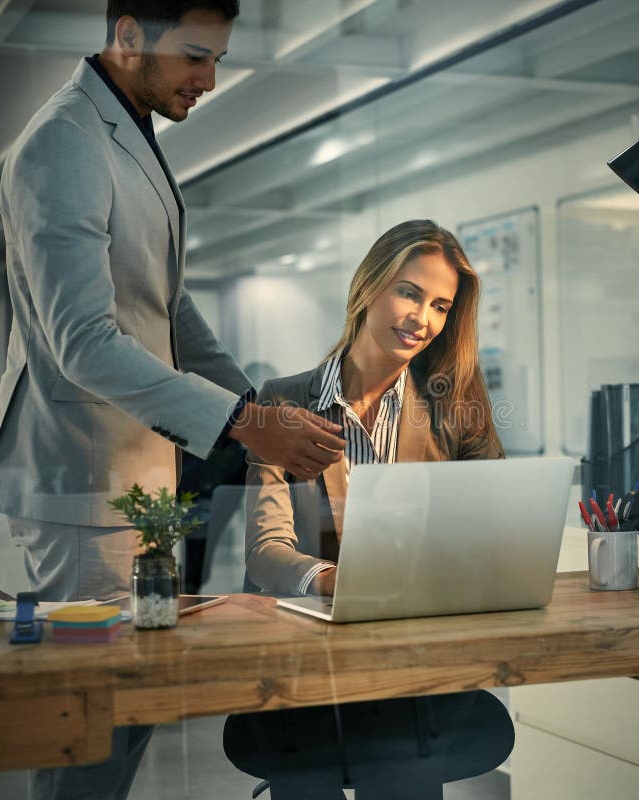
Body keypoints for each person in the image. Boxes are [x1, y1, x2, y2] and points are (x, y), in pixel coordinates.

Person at [0, 2, 343, 798]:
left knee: (124, 723)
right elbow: (83, 342)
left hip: (130, 490)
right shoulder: (63, 143)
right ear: (130, 34)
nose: (208, 81)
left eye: (217, 60)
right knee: (94, 732)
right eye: (194, 57)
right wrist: (248, 423)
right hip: (79, 487)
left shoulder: (122, 129)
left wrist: (257, 416)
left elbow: (166, 310)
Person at [224, 220, 513, 799]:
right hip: (306, 673)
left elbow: (494, 530)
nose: (422, 319)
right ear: (367, 289)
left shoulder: (452, 409)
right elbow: (265, 552)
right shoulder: (282, 401)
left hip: (411, 673)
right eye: (409, 292)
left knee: (403, 762)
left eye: (439, 305)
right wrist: (337, 579)